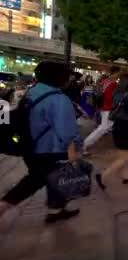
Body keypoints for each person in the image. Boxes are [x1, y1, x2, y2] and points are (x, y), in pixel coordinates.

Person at [0, 61, 81, 225]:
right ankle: (3, 206)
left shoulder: (33, 92)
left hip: (30, 146)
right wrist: (74, 152)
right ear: (60, 78)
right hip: (50, 149)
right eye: (67, 76)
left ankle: (56, 210)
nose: (69, 79)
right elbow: (67, 133)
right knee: (36, 180)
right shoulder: (59, 99)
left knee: (54, 178)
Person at [95, 73, 128, 190]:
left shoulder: (116, 95)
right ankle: (103, 176)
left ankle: (126, 175)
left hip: (118, 127)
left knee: (123, 154)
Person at [83, 66, 121, 155]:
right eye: (119, 73)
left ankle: (85, 144)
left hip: (102, 107)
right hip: (107, 108)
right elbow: (109, 98)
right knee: (103, 127)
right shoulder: (113, 84)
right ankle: (84, 144)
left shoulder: (105, 81)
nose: (120, 75)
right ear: (115, 73)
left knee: (106, 126)